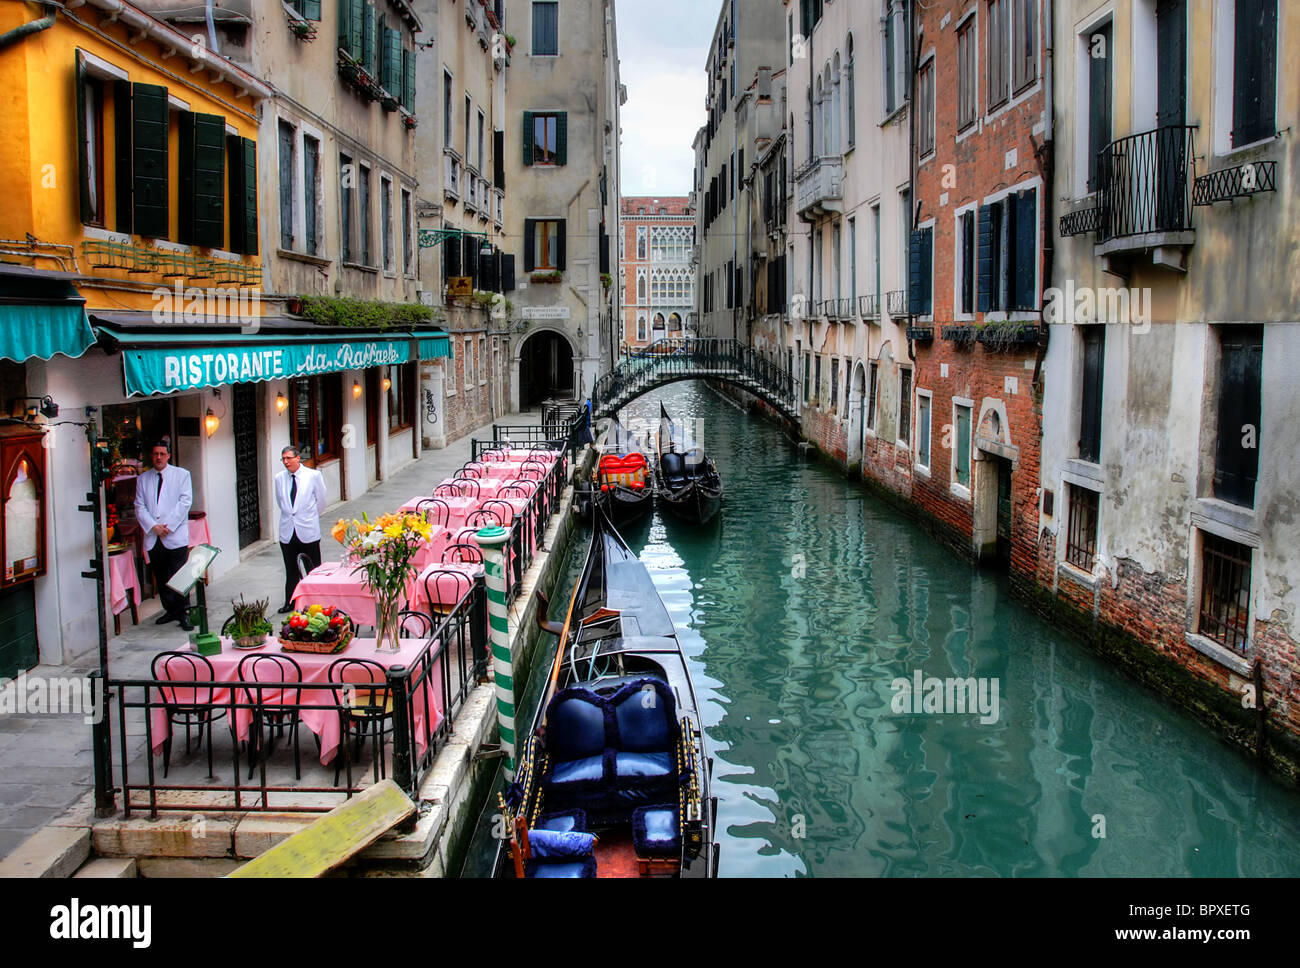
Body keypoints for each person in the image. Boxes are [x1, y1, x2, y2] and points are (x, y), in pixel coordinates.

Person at [134, 441, 194, 630]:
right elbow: (139, 506)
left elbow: (185, 501)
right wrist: (154, 527)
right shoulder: (143, 479)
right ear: (151, 456)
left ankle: (183, 611)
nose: (158, 457)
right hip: (154, 536)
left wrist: (169, 525)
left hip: (174, 534)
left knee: (179, 575)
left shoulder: (182, 475)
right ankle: (170, 609)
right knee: (161, 577)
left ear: (168, 455)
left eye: (162, 454)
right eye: (155, 454)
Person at [276, 445, 328, 613]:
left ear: (298, 458)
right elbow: (280, 502)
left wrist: (310, 517)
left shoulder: (313, 476)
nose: (286, 462)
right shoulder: (279, 478)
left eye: (289, 458)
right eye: (283, 459)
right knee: (290, 569)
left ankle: (317, 602)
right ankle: (290, 601)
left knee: (313, 568)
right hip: (288, 531)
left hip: (307, 529)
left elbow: (321, 501)